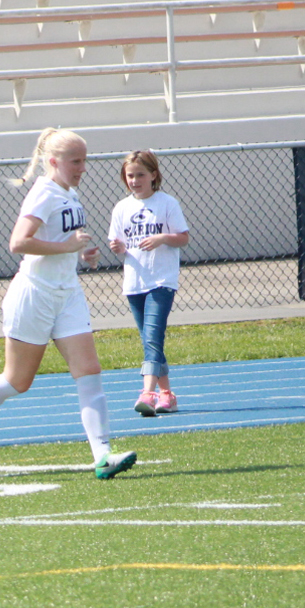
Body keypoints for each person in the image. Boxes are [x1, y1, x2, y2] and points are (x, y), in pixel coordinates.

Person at [0, 128, 139, 478]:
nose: (82, 168)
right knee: (17, 381)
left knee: (90, 373)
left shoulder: (70, 193)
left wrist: (83, 254)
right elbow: (18, 242)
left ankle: (103, 456)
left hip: (68, 294)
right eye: (75, 161)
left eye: (84, 160)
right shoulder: (43, 193)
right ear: (53, 161)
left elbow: (63, 242)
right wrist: (68, 248)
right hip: (34, 295)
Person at [107, 149, 190, 416]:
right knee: (150, 341)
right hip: (135, 283)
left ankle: (148, 393)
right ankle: (167, 394)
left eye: (140, 175)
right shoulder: (122, 207)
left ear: (153, 175)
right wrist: (117, 247)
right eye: (130, 176)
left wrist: (163, 238)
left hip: (161, 281)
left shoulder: (167, 204)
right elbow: (118, 244)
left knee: (153, 338)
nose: (135, 180)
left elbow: (183, 237)